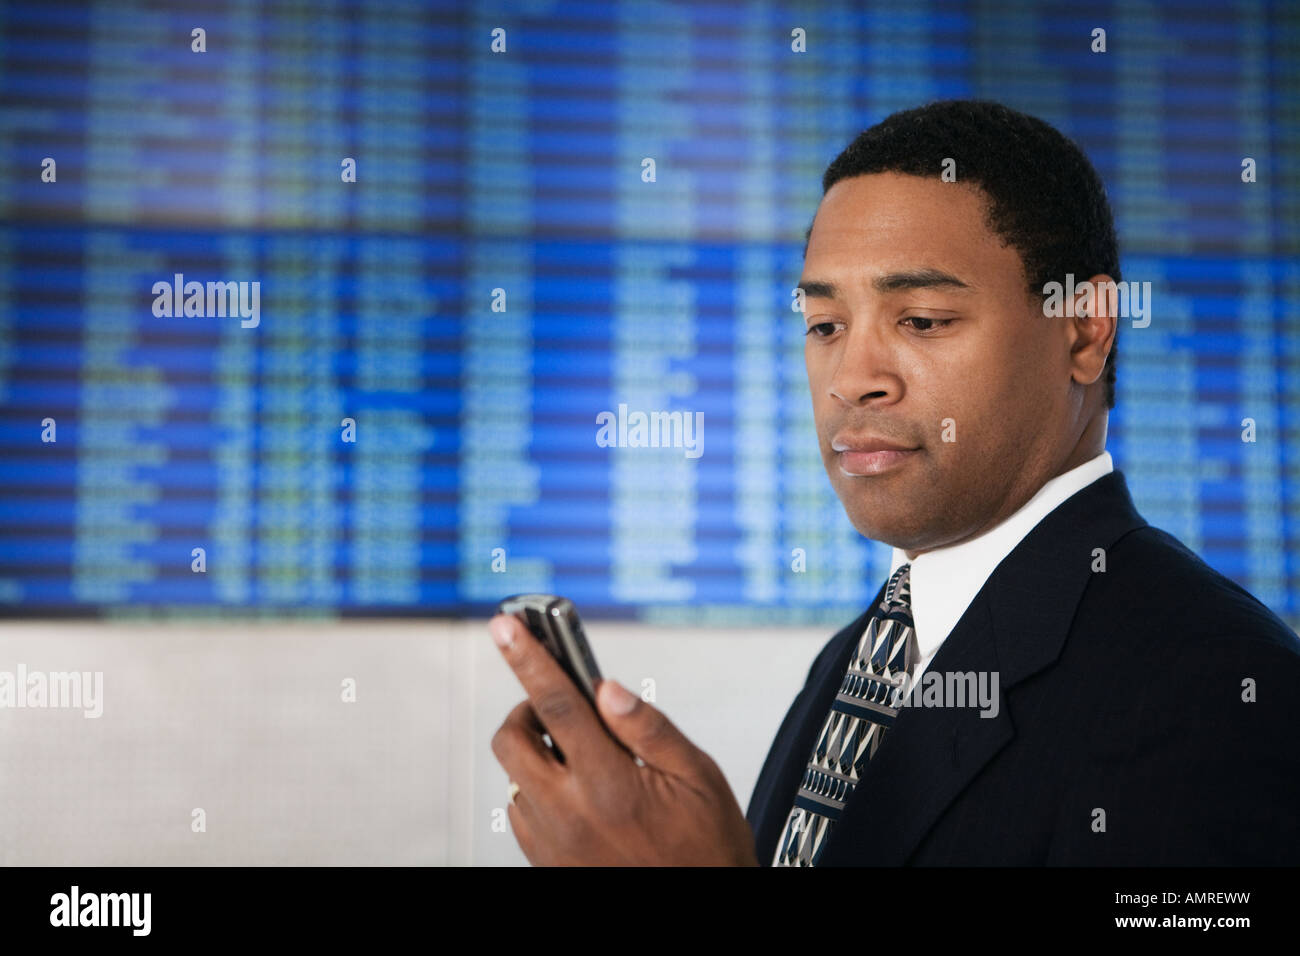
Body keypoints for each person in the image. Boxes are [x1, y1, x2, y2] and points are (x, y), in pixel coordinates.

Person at [486, 99, 1300, 866]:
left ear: (1084, 330)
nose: (852, 379)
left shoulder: (1220, 692)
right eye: (824, 326)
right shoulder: (862, 657)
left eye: (922, 321)